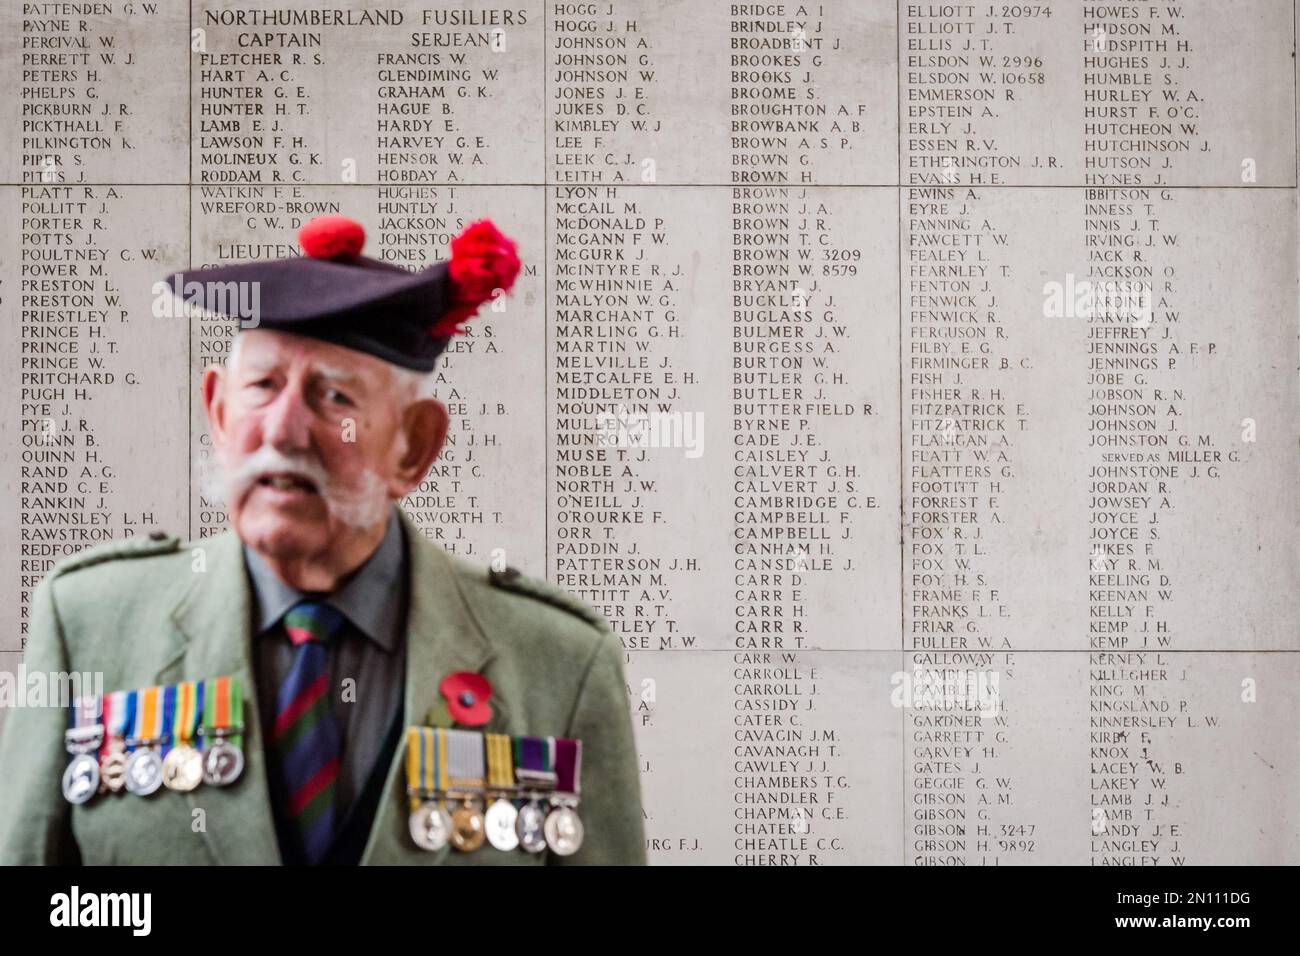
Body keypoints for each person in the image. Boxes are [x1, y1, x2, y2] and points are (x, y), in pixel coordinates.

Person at [0, 215, 647, 865]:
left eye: (334, 395)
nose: (284, 431)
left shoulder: (559, 663)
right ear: (220, 414)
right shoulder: (88, 623)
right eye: (262, 387)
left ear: (414, 445)